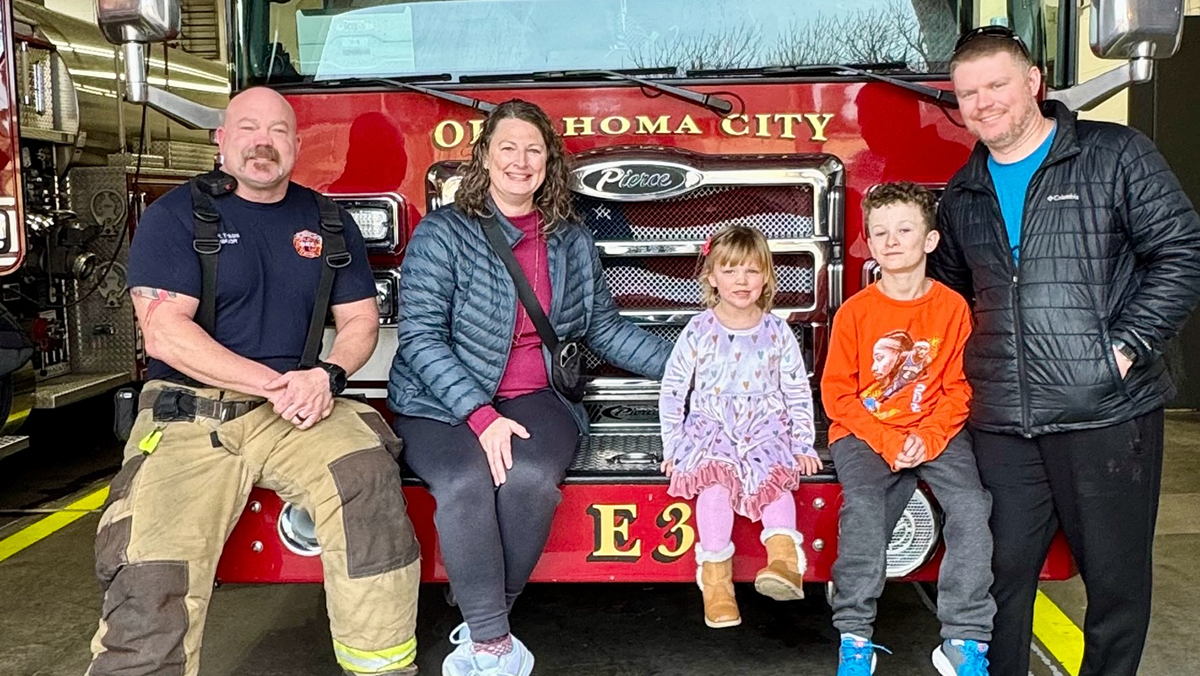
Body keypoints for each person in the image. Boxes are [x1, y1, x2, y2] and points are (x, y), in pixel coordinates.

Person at [87, 88, 421, 676]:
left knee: (368, 481)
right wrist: (275, 383)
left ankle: (383, 667)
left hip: (302, 410)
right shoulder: (175, 216)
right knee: (152, 574)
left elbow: (360, 320)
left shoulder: (326, 219)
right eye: (247, 128)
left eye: (277, 131)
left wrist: (329, 373)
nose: (262, 142)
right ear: (221, 139)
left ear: (297, 144)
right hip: (191, 417)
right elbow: (165, 334)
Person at [931, 26, 1200, 676]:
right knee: (995, 582)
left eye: (996, 84)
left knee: (1114, 590)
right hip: (1001, 423)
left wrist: (1125, 348)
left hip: (1105, 415)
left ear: (1033, 83)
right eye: (968, 93)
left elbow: (1182, 251)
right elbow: (953, 299)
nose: (983, 103)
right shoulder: (962, 192)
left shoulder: (1116, 154)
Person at [388, 99, 670, 676]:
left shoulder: (569, 238)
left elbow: (601, 327)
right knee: (466, 481)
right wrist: (479, 415)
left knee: (531, 481)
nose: (521, 161)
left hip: (538, 396)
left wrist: (695, 365)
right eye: (508, 148)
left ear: (549, 163)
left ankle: (483, 613)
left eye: (534, 150)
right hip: (436, 401)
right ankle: (494, 646)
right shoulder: (442, 233)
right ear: (485, 157)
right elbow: (419, 338)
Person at [823, 183, 994, 676]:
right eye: (880, 233)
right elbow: (838, 395)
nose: (892, 241)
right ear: (869, 245)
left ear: (931, 240)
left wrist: (931, 436)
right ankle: (854, 635)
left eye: (904, 230)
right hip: (864, 433)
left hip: (934, 430)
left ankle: (964, 640)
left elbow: (958, 389)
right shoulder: (855, 312)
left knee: (970, 506)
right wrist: (890, 440)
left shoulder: (953, 309)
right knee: (867, 507)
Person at [657, 225, 822, 629]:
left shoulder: (778, 331)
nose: (741, 281)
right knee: (714, 486)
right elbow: (674, 389)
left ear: (766, 276)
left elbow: (797, 389)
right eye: (730, 271)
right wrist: (674, 448)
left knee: (775, 482)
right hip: (711, 428)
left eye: (751, 271)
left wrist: (803, 442)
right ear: (711, 276)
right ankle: (716, 582)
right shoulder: (698, 329)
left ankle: (784, 561)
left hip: (764, 427)